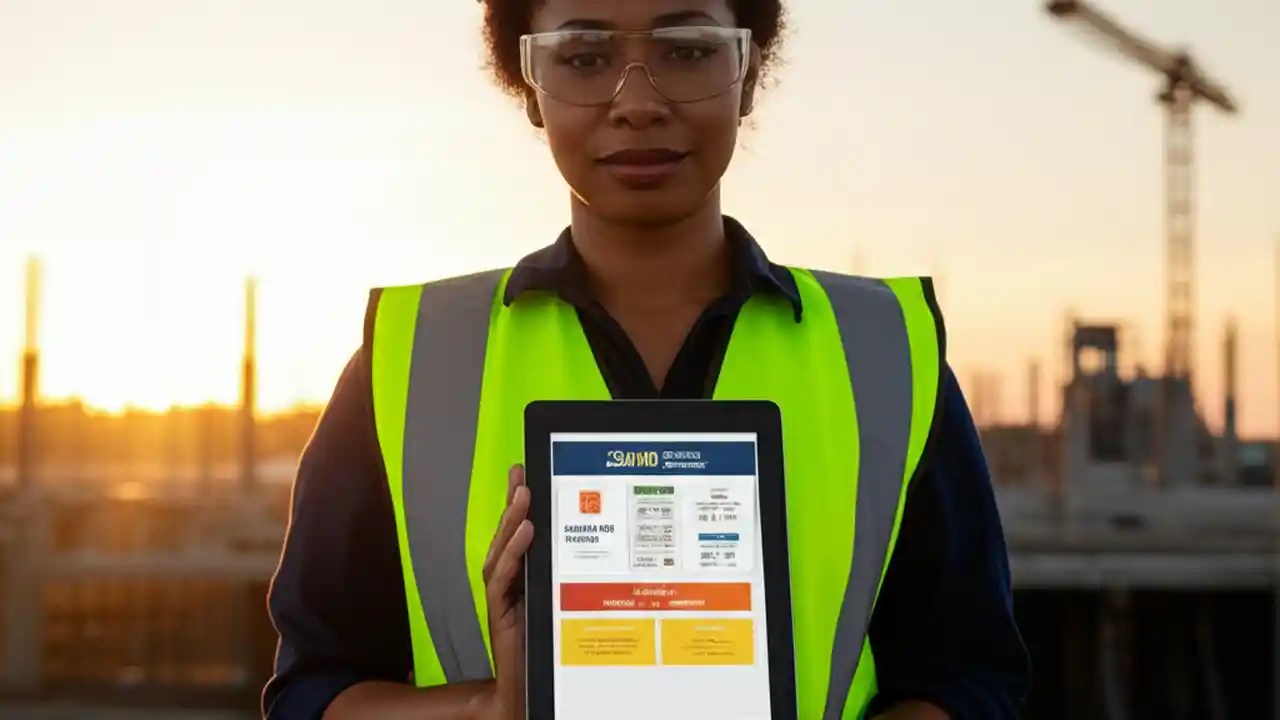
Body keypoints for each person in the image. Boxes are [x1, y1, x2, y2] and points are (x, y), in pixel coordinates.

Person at [262, 0, 1031, 718]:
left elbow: (969, 677)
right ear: (530, 88)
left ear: (749, 74)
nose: (637, 102)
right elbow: (313, 686)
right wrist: (487, 708)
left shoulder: (883, 350)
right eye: (584, 57)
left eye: (687, 50)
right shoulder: (414, 356)